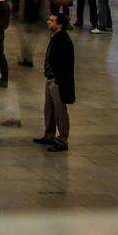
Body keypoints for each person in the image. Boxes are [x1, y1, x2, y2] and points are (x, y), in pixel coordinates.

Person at [34, 13, 75, 152]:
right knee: (49, 109)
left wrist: (58, 78)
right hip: (50, 78)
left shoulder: (63, 40)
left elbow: (65, 64)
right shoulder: (55, 37)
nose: (48, 22)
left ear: (59, 25)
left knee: (60, 111)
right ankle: (49, 134)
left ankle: (62, 140)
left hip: (58, 80)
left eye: (51, 21)